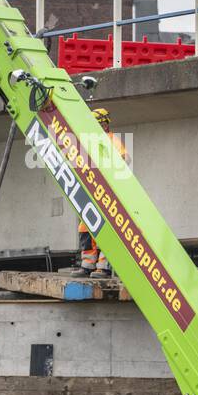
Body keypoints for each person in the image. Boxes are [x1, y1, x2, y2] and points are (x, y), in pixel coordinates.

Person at [68, 107, 128, 279]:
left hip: (106, 192)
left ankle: (103, 267)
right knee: (85, 228)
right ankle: (87, 265)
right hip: (90, 191)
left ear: (104, 123)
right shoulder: (88, 142)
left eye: (98, 123)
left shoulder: (111, 140)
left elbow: (123, 159)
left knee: (104, 229)